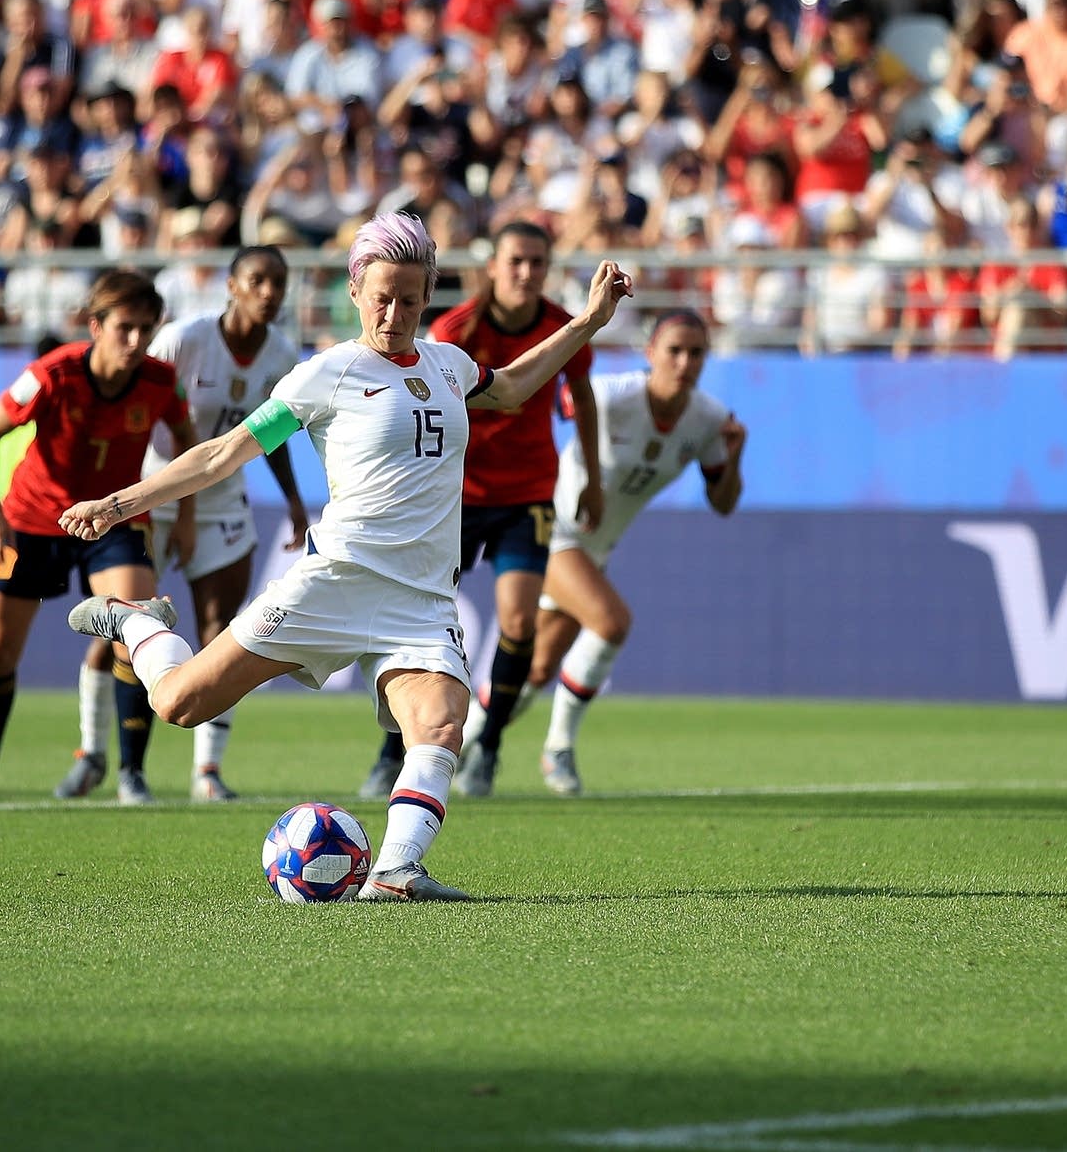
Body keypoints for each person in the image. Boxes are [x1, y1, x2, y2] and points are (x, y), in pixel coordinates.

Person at [57, 213, 633, 900]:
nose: (395, 313)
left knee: (443, 721)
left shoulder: (449, 366)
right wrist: (117, 503)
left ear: (428, 299)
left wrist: (588, 322)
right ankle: (138, 622)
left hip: (420, 600)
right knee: (180, 703)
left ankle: (394, 871)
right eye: (382, 296)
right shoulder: (326, 374)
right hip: (333, 581)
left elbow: (510, 385)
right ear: (356, 290)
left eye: (412, 300)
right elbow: (219, 454)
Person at [360, 220, 604, 801]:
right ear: (492, 265)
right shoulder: (455, 329)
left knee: (519, 623)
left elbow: (583, 398)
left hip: (528, 494)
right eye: (516, 260)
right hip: (458, 498)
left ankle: (489, 745)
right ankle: (395, 748)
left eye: (537, 263)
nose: (526, 272)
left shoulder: (557, 327)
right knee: (423, 622)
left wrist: (591, 475)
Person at [0, 270, 197, 806]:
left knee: (139, 622)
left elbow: (190, 442)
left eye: (146, 329)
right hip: (32, 520)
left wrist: (187, 516)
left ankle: (132, 775)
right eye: (125, 327)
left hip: (112, 520)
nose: (136, 341)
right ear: (95, 325)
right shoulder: (52, 374)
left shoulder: (158, 380)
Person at [514, 312, 745, 795]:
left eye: (697, 352)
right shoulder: (613, 394)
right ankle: (558, 748)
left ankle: (463, 747)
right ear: (650, 353)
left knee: (536, 669)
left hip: (595, 549)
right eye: (674, 351)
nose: (685, 362)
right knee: (612, 622)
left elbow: (722, 505)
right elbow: (564, 399)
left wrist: (735, 455)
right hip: (554, 531)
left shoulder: (706, 419)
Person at [134, 247, 313, 801]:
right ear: (231, 286)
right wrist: (122, 499)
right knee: (126, 627)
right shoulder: (183, 340)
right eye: (257, 280)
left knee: (221, 631)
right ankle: (107, 760)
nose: (269, 292)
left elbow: (273, 435)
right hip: (155, 492)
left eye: (278, 283)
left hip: (222, 501)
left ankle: (206, 771)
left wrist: (294, 500)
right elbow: (136, 417)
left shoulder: (283, 355)